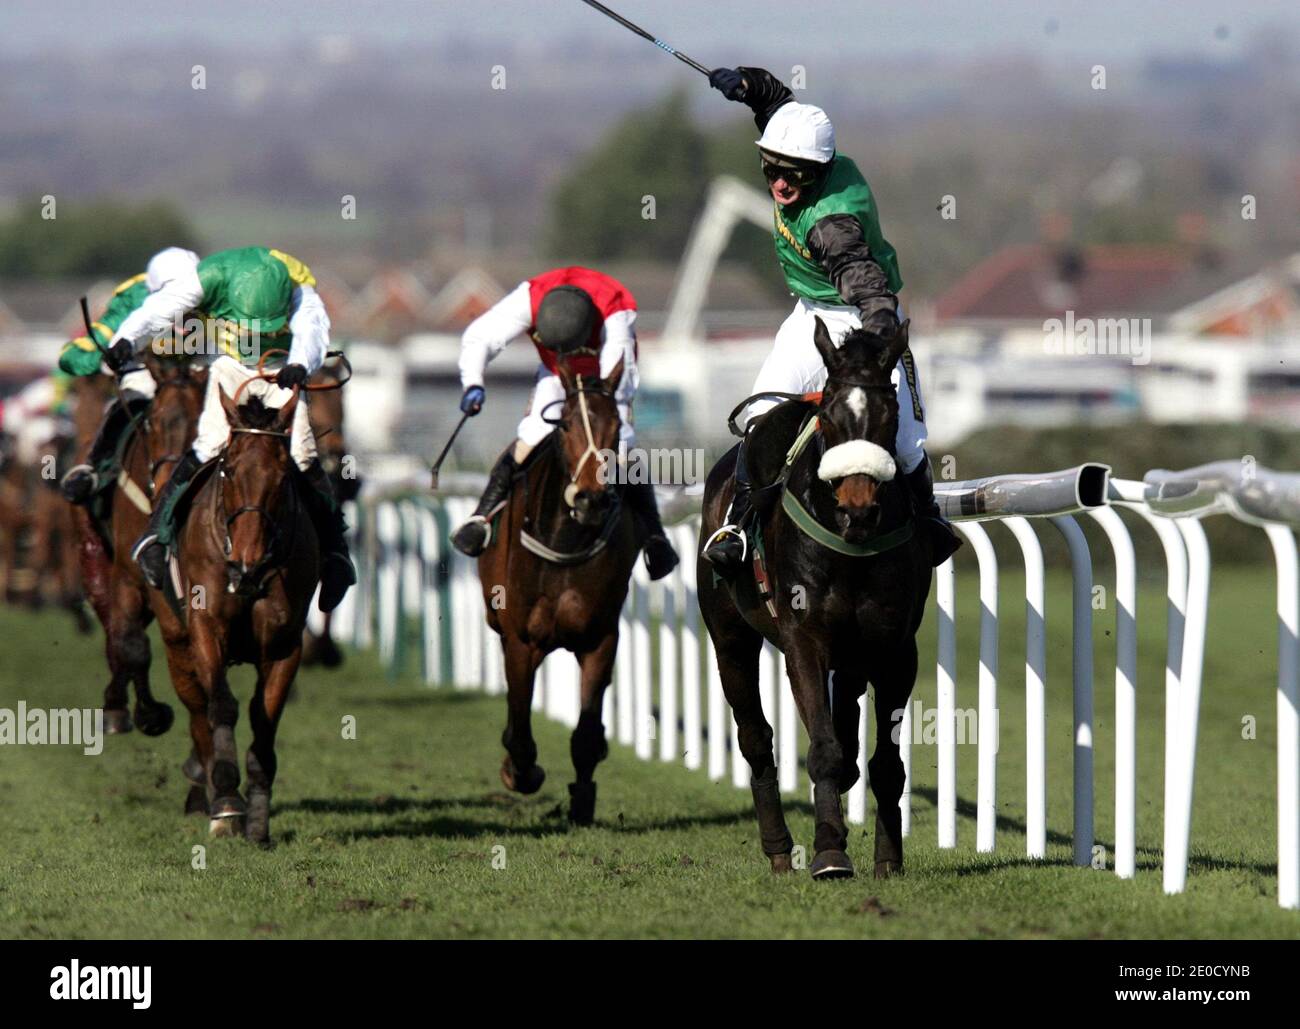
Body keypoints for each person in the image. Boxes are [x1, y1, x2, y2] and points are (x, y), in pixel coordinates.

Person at [702, 66, 960, 571]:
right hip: (810, 315)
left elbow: (865, 283)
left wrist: (881, 339)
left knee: (907, 446)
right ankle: (738, 524)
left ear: (818, 171)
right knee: (760, 417)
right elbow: (777, 102)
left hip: (864, 320)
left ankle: (927, 522)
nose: (779, 181)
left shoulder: (831, 225)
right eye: (769, 167)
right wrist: (748, 86)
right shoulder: (803, 154)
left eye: (791, 174)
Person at [113, 245, 354, 611]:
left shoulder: (298, 285)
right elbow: (157, 311)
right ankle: (156, 535)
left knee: (303, 455)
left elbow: (312, 330)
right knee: (207, 445)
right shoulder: (206, 278)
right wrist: (125, 340)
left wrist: (301, 365)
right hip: (230, 366)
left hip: (281, 368)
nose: (259, 331)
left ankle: (336, 551)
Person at [447, 266, 678, 580]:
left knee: (622, 446)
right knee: (529, 438)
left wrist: (606, 415)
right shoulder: (529, 298)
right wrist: (473, 383)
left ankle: (654, 536)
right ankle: (482, 517)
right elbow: (480, 338)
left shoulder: (614, 308)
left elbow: (620, 380)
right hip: (558, 374)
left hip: (606, 379)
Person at [58, 247, 199, 504]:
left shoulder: (215, 286)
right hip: (146, 374)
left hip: (198, 373)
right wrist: (97, 356)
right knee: (136, 394)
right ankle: (95, 470)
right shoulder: (132, 298)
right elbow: (78, 352)